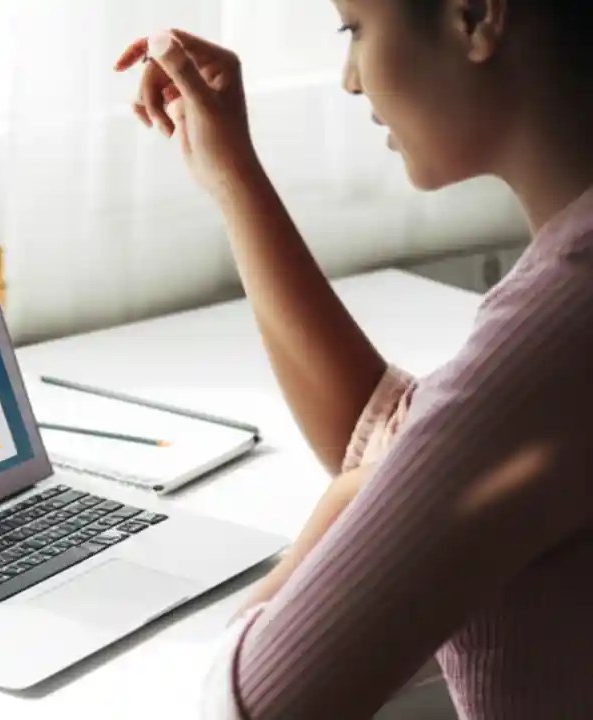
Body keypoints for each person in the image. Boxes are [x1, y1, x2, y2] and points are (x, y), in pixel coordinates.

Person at [114, 1, 593, 717]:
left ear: (474, 15)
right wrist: (233, 177)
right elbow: (406, 435)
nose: (349, 79)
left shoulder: (563, 318)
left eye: (355, 29)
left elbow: (258, 706)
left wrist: (349, 502)